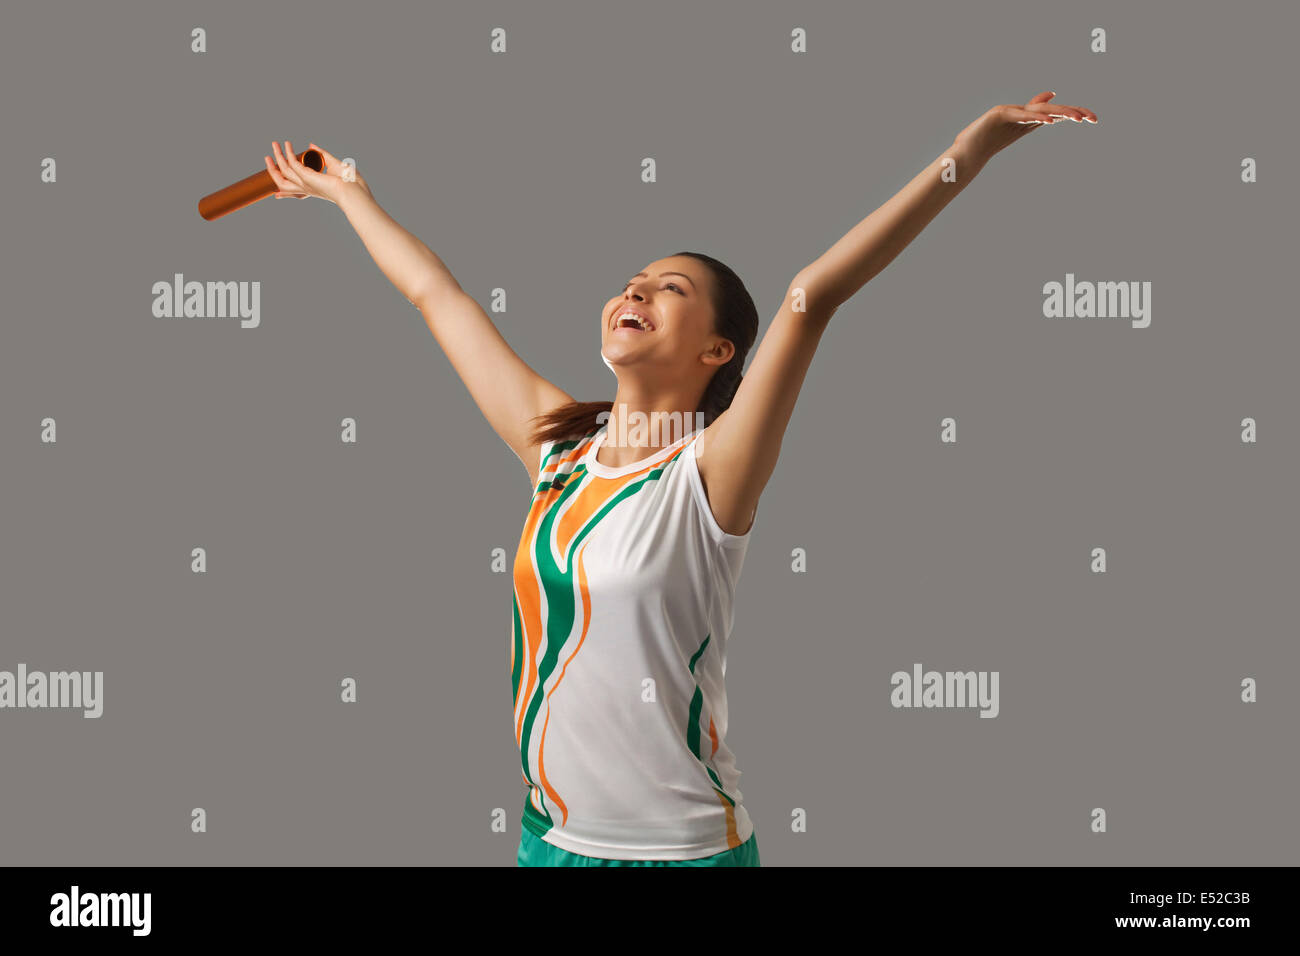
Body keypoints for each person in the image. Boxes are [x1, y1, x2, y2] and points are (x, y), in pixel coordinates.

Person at [263, 91, 1097, 866]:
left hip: (683, 853)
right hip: (548, 840)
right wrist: (348, 194)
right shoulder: (557, 454)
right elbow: (434, 296)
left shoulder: (710, 474)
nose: (638, 288)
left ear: (717, 351)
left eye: (672, 289)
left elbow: (812, 295)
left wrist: (970, 149)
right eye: (634, 280)